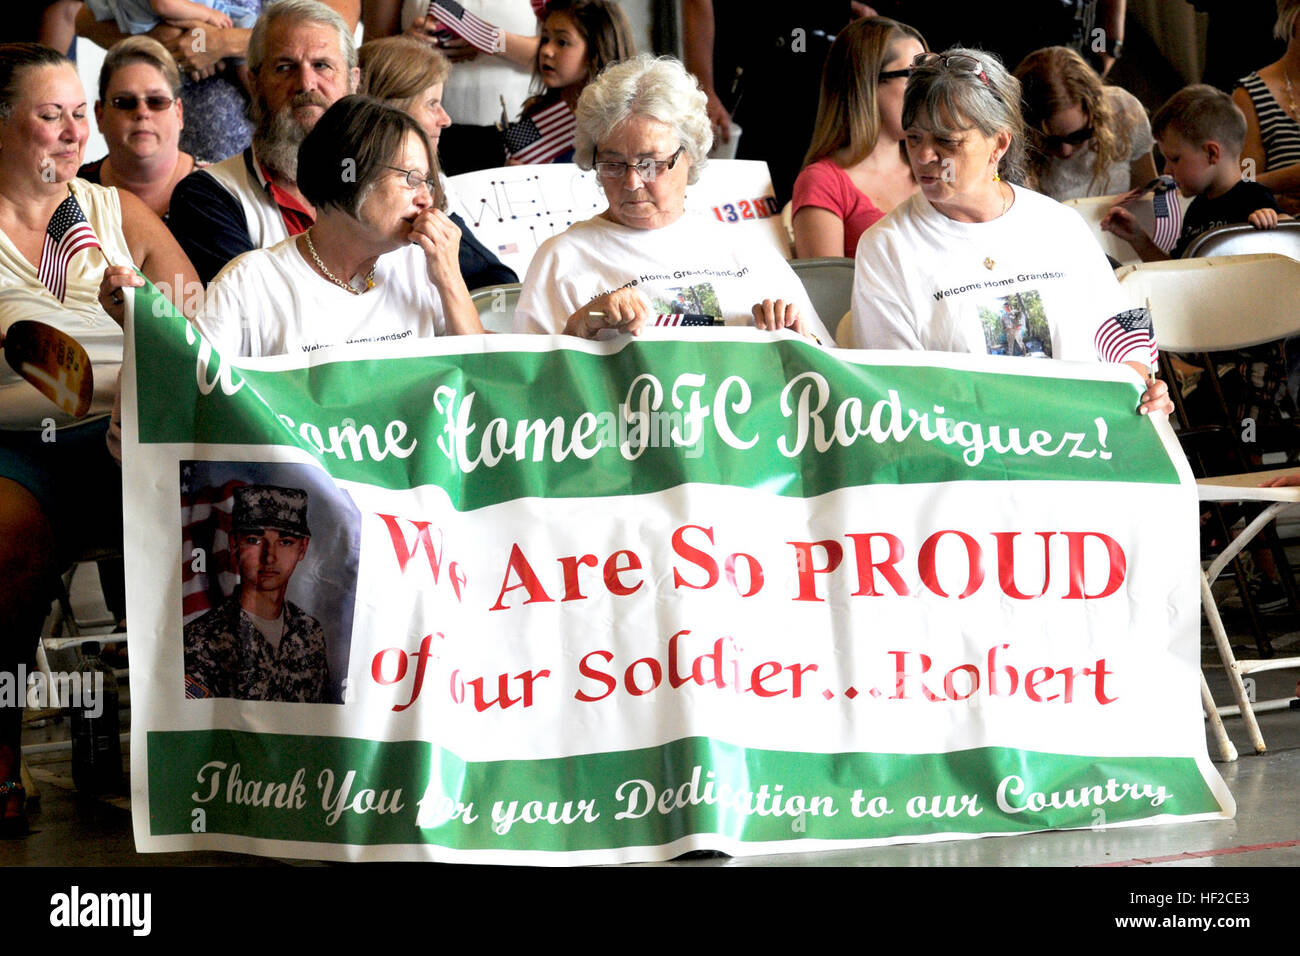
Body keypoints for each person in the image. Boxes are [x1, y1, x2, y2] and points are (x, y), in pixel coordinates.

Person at [0, 42, 199, 834]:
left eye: (80, 114)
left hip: (132, 432)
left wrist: (143, 318)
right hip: (17, 444)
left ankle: (216, 754)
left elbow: (203, 322)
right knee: (7, 539)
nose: (73, 133)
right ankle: (4, 762)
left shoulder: (116, 211)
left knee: (225, 514)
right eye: (50, 115)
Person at [850, 49, 1169, 415]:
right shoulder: (887, 247)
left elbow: (1120, 331)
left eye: (946, 141)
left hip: (1082, 437)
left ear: (999, 144)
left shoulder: (1057, 224)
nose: (923, 156)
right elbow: (898, 392)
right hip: (970, 453)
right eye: (914, 137)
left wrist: (1141, 387)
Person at [514, 54, 832, 342]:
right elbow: (535, 390)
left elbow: (828, 360)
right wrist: (581, 326)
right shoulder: (563, 258)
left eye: (651, 163)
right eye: (613, 164)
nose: (632, 181)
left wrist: (796, 340)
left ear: (690, 153)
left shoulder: (744, 249)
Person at [199, 95, 484, 356]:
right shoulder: (249, 284)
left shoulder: (423, 267)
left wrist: (450, 279)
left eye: (428, 182)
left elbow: (482, 382)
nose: (425, 198)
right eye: (410, 179)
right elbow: (195, 396)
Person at [167, 0, 359, 284]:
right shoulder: (208, 197)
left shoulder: (391, 181)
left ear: (353, 81)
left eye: (321, 65)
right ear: (255, 83)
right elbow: (256, 314)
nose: (306, 83)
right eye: (284, 67)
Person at [358, 34, 517, 289]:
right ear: (393, 111)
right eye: (432, 105)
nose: (445, 119)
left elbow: (494, 281)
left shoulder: (435, 181)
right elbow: (495, 282)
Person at [184, 485, 335, 703]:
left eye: (285, 542)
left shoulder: (310, 631)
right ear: (234, 543)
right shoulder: (200, 640)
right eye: (254, 540)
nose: (270, 557)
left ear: (302, 548)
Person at [791, 16, 926, 259]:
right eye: (914, 75)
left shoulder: (936, 163)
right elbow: (825, 293)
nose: (927, 89)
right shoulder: (822, 182)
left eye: (929, 75)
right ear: (867, 83)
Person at [1102, 85, 1281, 261]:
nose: (1166, 170)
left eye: (1175, 159)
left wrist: (1273, 222)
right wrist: (1138, 238)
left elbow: (1288, 242)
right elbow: (1179, 273)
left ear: (1211, 153)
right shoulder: (1197, 209)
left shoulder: (1255, 198)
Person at [362, 0, 541, 174]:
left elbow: (558, 55)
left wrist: (486, 39)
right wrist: (408, 45)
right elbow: (371, 51)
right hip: (418, 123)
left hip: (515, 128)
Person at [78, 36, 199, 221]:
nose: (142, 112)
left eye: (157, 101)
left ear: (179, 113)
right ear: (99, 114)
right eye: (124, 102)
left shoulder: (221, 189)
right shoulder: (70, 193)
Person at [1015, 45, 1156, 201]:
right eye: (1050, 141)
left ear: (1094, 110)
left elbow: (1148, 192)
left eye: (1078, 136)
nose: (1065, 151)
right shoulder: (1015, 144)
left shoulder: (1123, 110)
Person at [503, 0, 634, 165]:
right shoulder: (538, 111)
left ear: (597, 49)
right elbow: (515, 162)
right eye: (545, 39)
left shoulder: (623, 124)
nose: (546, 50)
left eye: (562, 42)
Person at [1234, 0, 1300, 214]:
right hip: (1283, 240)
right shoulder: (1250, 96)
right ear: (1294, 18)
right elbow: (1245, 182)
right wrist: (1274, 200)